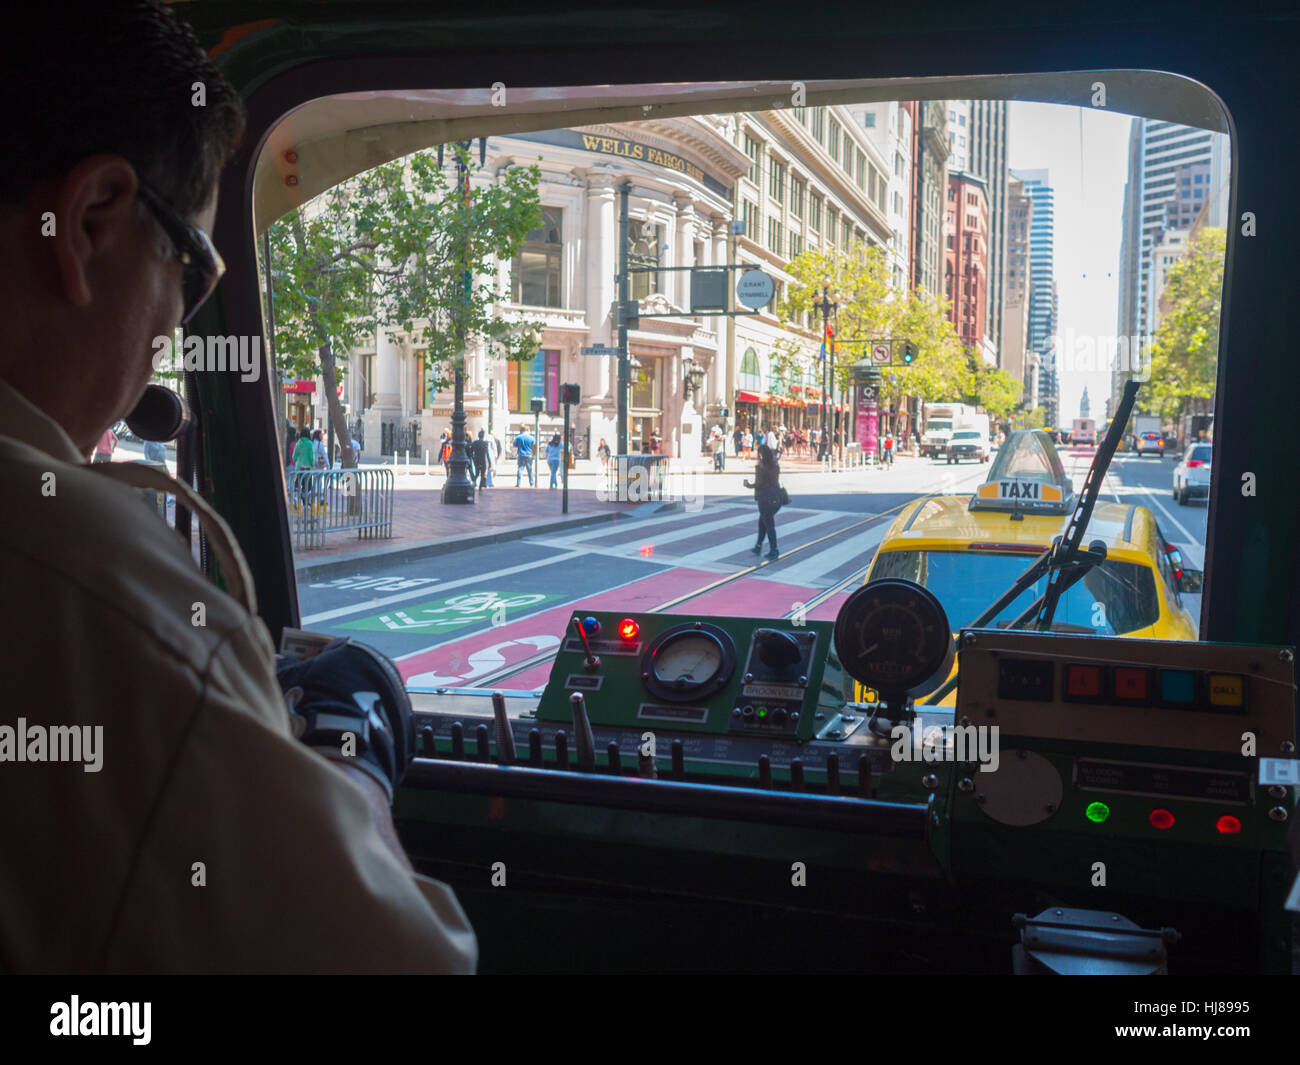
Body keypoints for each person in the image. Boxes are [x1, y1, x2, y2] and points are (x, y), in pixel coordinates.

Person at [0, 1, 473, 973]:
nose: (177, 323)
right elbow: (406, 962)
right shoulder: (77, 571)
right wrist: (353, 770)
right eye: (194, 265)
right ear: (90, 220)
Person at [743, 444, 784, 560]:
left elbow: (759, 483)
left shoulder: (761, 467)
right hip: (776, 498)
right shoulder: (775, 465)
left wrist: (748, 485)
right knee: (763, 523)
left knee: (768, 524)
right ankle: (758, 546)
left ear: (760, 455)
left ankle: (774, 549)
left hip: (765, 499)